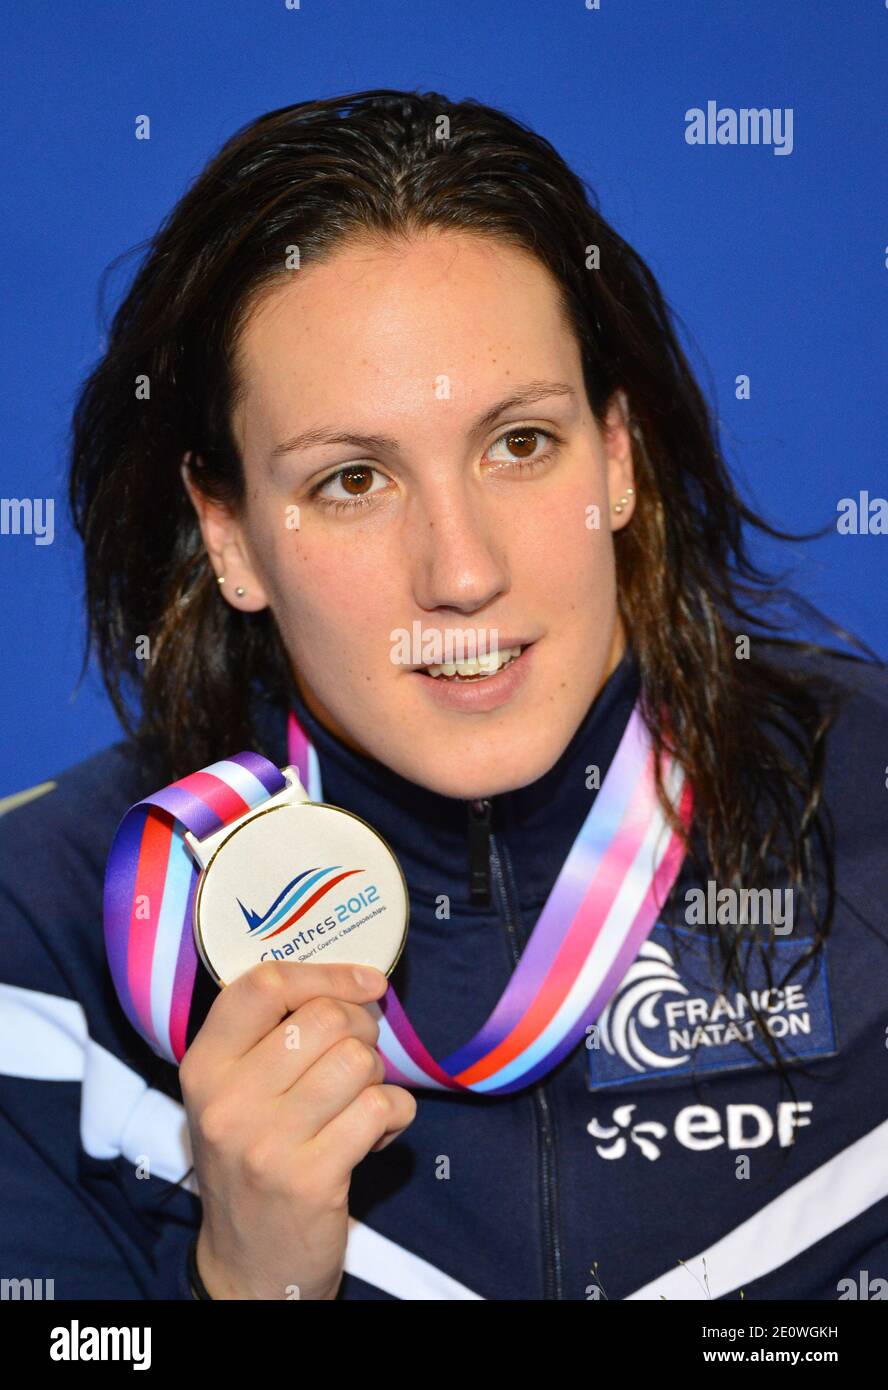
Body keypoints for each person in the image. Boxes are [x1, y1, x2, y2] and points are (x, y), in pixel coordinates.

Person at [1, 87, 886, 1303]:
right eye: (354, 478)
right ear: (231, 534)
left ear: (617, 455)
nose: (463, 572)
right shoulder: (41, 948)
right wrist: (245, 1286)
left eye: (519, 443)